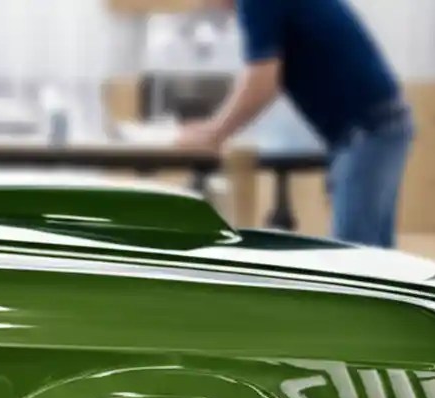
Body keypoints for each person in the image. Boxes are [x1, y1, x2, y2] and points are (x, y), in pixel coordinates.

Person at [176, 0, 413, 249]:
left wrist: (215, 133)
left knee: (355, 255)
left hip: (368, 129)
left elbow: (263, 78)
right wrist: (213, 130)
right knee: (372, 253)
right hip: (376, 124)